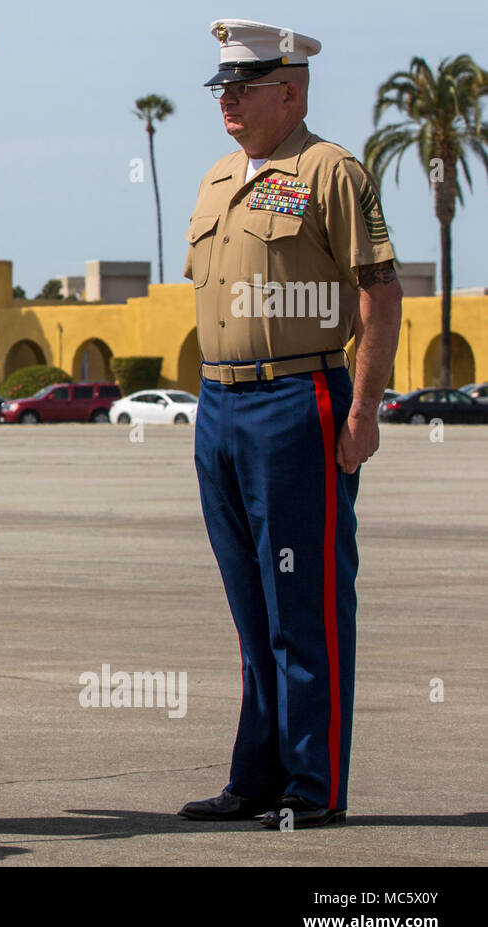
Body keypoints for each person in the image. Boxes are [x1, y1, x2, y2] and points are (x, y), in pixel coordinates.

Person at [177, 21, 402, 829]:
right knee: (251, 605)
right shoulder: (214, 181)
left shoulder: (329, 171)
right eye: (222, 87)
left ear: (291, 90)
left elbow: (380, 292)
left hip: (295, 400)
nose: (228, 98)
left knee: (303, 602)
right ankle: (257, 776)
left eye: (245, 85)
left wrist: (364, 408)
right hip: (219, 404)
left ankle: (314, 786)